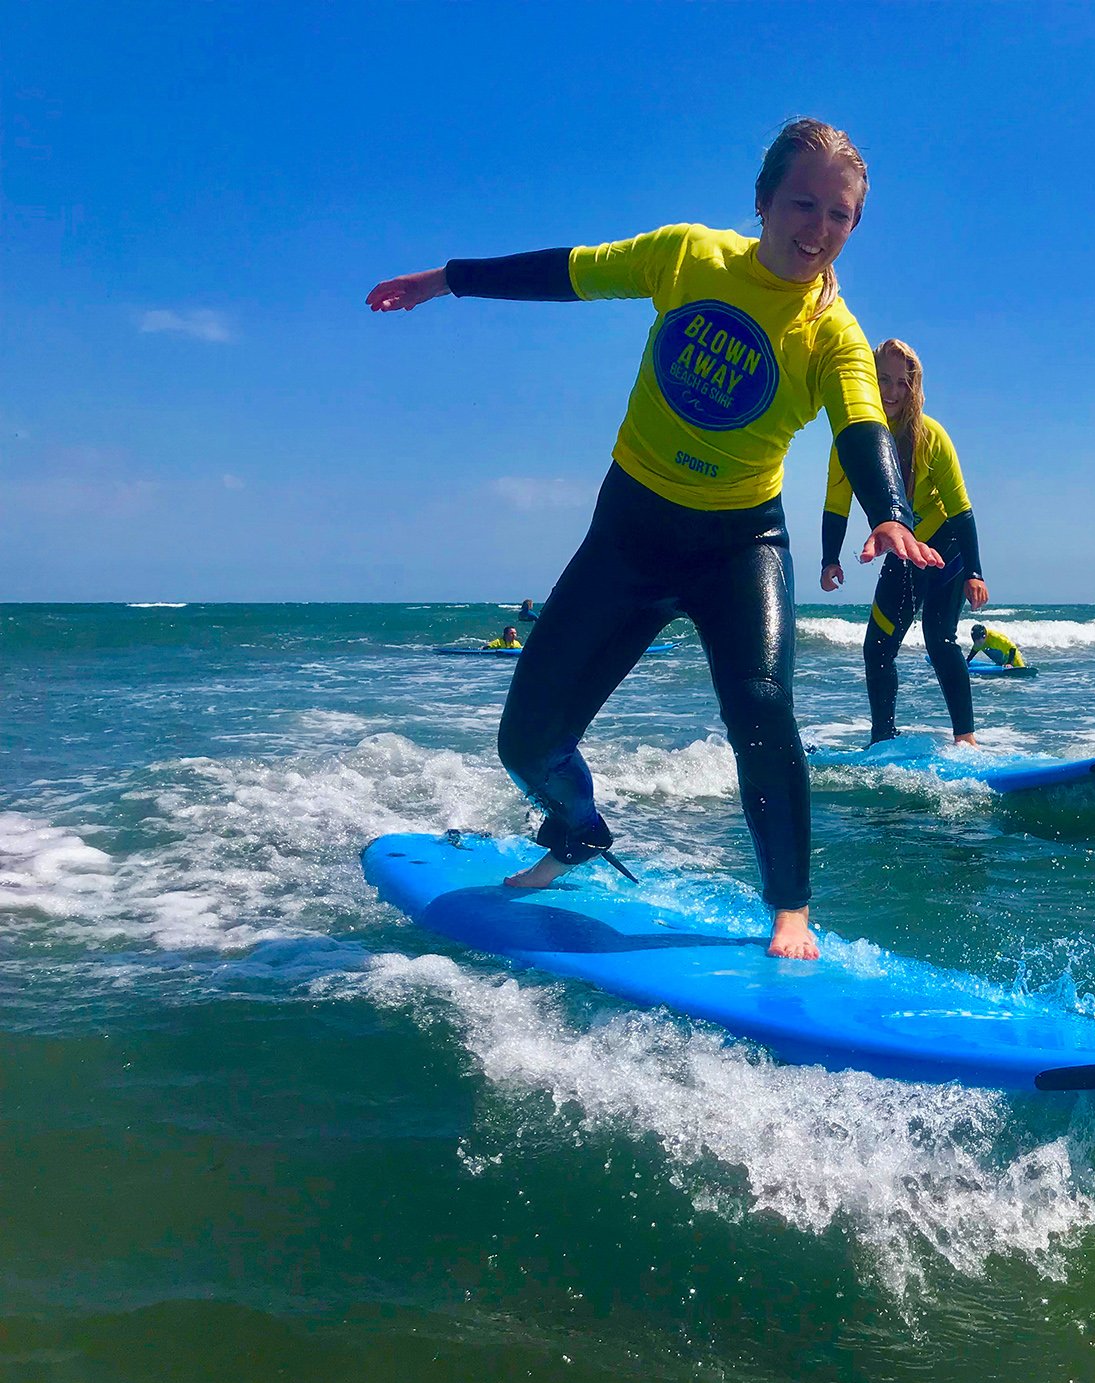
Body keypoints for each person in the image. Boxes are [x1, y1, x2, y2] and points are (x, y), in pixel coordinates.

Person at [366, 119, 939, 960]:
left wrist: (888, 510)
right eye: (802, 203)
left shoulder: (833, 335)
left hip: (739, 547)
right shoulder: (687, 258)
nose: (818, 229)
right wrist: (446, 281)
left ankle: (790, 909)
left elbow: (860, 421)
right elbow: (570, 273)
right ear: (762, 203)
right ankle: (577, 830)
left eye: (840, 215)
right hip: (631, 532)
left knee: (761, 707)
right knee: (525, 741)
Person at [821, 339, 988, 745]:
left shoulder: (933, 437)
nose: (892, 392)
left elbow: (962, 510)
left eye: (902, 382)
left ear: (914, 388)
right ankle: (883, 739)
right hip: (902, 553)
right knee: (877, 648)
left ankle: (965, 738)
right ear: (867, 380)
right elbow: (836, 503)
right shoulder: (853, 440)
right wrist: (830, 559)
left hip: (945, 549)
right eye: (882, 380)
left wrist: (975, 572)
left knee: (939, 638)